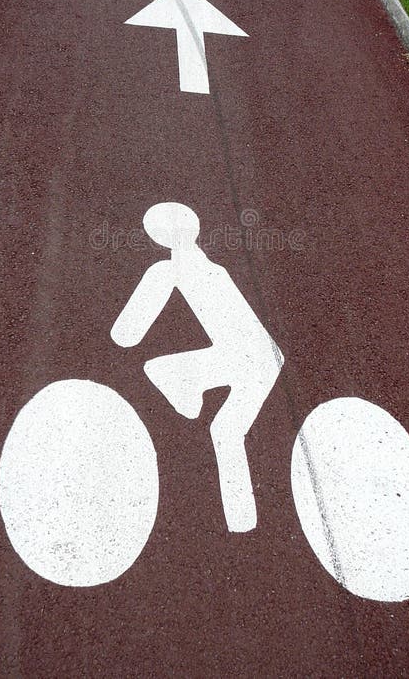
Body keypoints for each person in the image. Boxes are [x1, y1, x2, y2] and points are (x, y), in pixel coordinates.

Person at [111, 202, 284, 532]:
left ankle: (187, 390)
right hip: (266, 358)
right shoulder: (217, 270)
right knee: (226, 431)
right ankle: (242, 522)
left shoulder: (166, 271)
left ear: (157, 238)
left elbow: (126, 335)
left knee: (160, 370)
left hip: (241, 359)